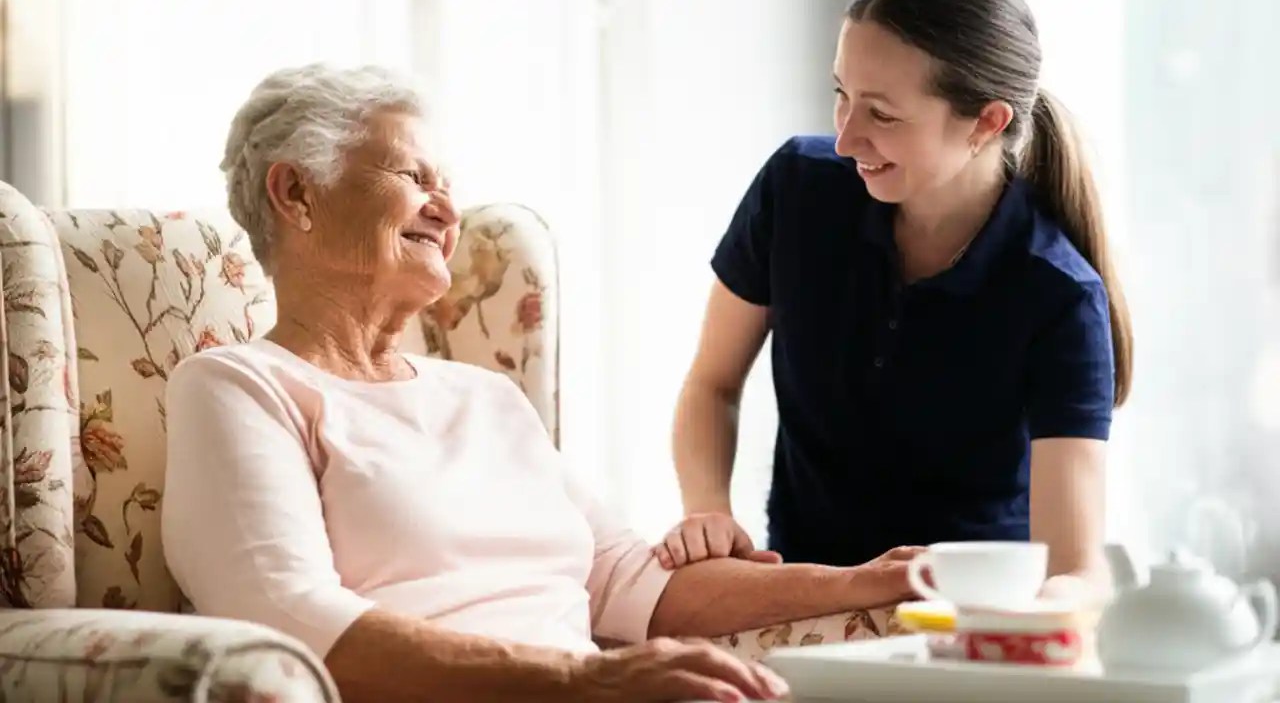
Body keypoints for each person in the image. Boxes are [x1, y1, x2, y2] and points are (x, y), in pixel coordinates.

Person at [160, 63, 920, 703]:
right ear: (296, 194)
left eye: (448, 185)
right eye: (412, 176)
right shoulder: (238, 387)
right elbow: (289, 620)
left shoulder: (485, 397)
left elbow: (634, 584)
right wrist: (583, 680)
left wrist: (859, 583)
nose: (448, 210)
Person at [660, 0, 1133, 603]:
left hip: (959, 621)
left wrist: (1042, 612)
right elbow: (711, 383)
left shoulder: (1058, 293)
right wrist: (709, 515)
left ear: (986, 123)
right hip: (801, 598)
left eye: (881, 114)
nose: (847, 138)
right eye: (842, 96)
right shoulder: (796, 189)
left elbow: (1077, 569)